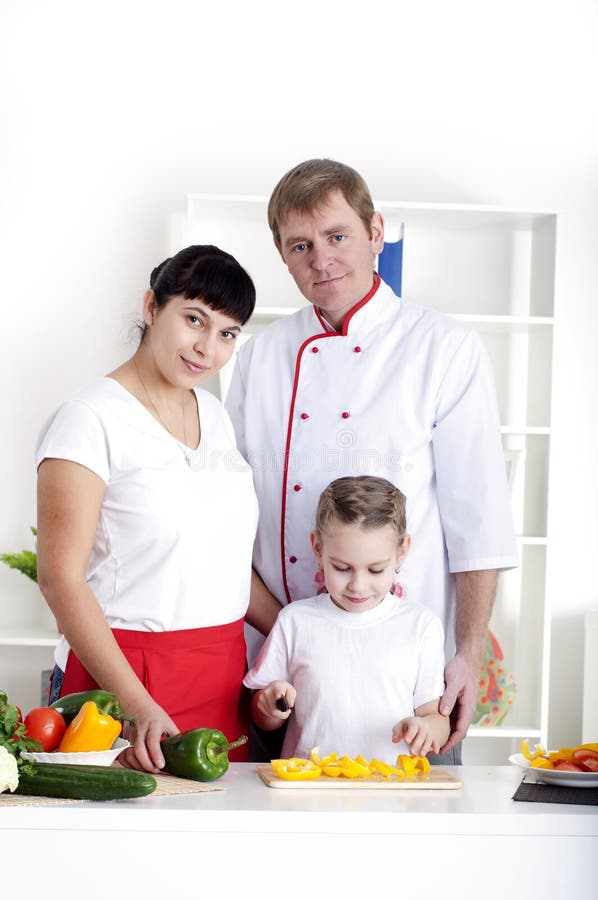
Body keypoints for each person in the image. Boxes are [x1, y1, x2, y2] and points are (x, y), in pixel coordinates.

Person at [225, 158, 518, 762]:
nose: (321, 260)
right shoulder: (259, 357)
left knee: (412, 838)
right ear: (282, 256)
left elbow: (478, 522)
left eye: (337, 237)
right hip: (276, 674)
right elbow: (231, 516)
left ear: (375, 231)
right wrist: (297, 637)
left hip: (406, 687)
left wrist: (466, 653)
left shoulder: (444, 348)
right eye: (299, 245)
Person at [35, 244, 274, 773]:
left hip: (221, 671)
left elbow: (224, 559)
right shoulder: (88, 419)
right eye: (194, 319)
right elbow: (59, 578)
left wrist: (300, 635)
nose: (207, 348)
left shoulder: (213, 414)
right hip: (124, 677)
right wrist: (134, 702)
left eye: (227, 333)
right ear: (151, 307)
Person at [243, 476, 450, 762]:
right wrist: (269, 706)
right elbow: (262, 718)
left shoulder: (420, 626)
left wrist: (426, 728)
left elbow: (437, 720)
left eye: (376, 570)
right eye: (341, 568)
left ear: (402, 552)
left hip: (390, 791)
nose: (358, 585)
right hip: (308, 789)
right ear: (317, 548)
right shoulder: (295, 622)